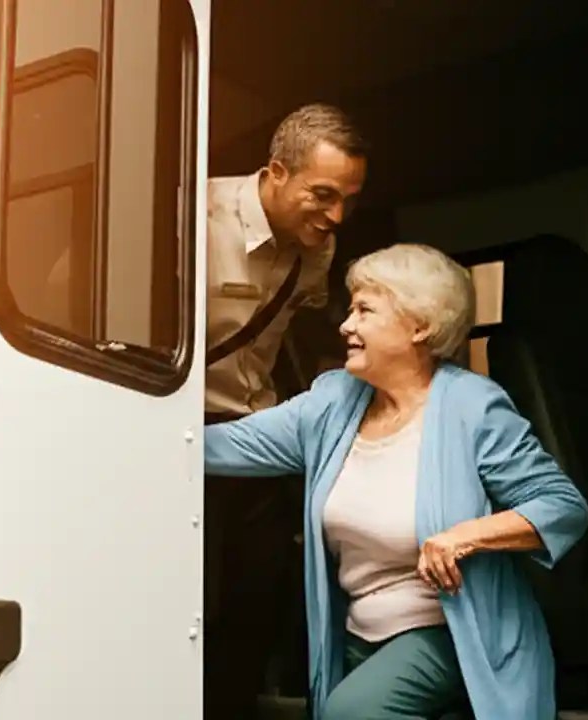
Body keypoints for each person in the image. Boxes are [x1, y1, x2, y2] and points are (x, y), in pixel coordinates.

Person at [205, 243, 588, 720]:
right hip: (356, 634)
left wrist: (464, 536)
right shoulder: (332, 402)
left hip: (448, 632)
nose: (346, 325)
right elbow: (222, 446)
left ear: (420, 326)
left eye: (364, 310)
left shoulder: (472, 406)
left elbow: (561, 505)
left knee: (349, 714)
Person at [203, 103, 368, 720]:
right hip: (187, 429)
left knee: (260, 591)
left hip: (262, 430)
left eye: (348, 199)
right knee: (197, 597)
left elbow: (297, 330)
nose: (336, 216)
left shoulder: (317, 246)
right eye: (323, 195)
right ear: (276, 172)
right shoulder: (193, 214)